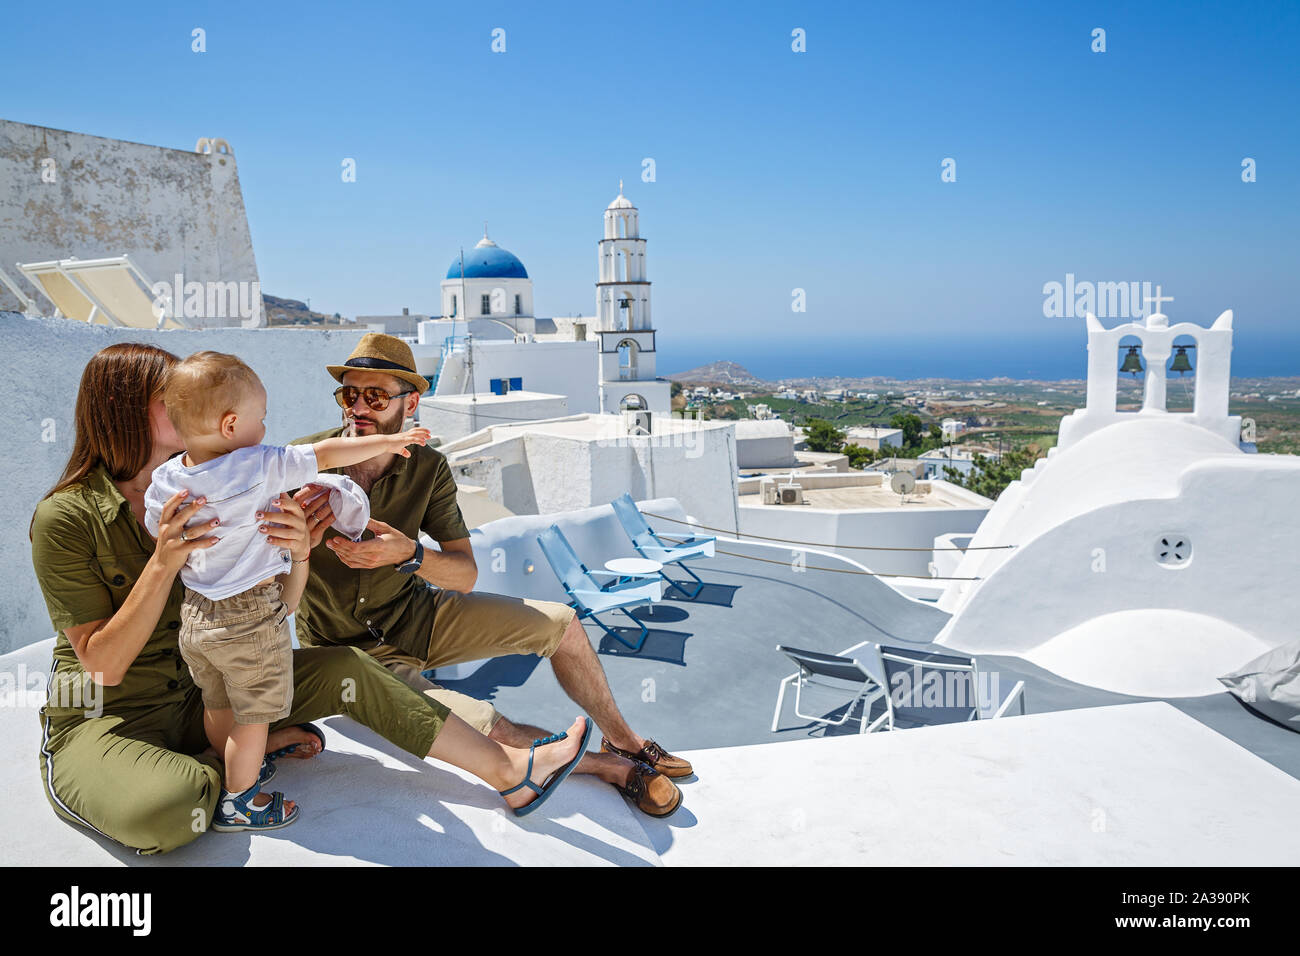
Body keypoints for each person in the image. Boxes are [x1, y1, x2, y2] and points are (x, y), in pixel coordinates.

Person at [30, 343, 590, 856]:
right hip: (113, 717)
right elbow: (102, 667)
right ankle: (226, 762)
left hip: (217, 684)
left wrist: (298, 552)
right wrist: (162, 562)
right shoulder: (69, 517)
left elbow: (279, 611)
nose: (187, 404)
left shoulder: (230, 484)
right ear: (127, 411)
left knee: (348, 668)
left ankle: (511, 771)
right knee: (168, 812)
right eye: (168, 397)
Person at [290, 333, 691, 818]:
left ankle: (625, 740)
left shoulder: (429, 467)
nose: (358, 407)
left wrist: (409, 555)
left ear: (410, 402)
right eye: (348, 394)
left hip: (418, 615)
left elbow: (464, 574)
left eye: (374, 395)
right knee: (489, 723)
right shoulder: (301, 461)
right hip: (349, 651)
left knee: (562, 623)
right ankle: (613, 768)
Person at [143, 350, 431, 830]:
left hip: (195, 616)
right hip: (248, 617)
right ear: (232, 425)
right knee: (255, 715)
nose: (265, 428)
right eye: (261, 418)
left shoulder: (168, 478)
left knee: (218, 702)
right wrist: (392, 439)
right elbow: (328, 455)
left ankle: (229, 763)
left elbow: (161, 528)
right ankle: (241, 800)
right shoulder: (257, 464)